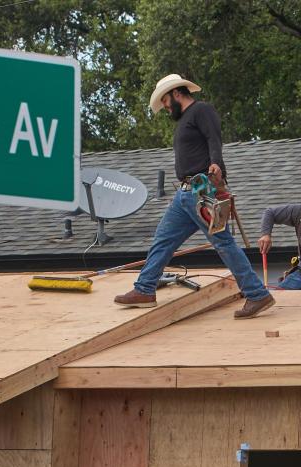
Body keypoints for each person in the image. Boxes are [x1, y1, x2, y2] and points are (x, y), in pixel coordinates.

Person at [114, 74, 275, 319]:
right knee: (163, 239)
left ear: (176, 93)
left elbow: (214, 139)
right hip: (186, 193)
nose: (165, 107)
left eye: (165, 101)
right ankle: (144, 289)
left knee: (223, 243)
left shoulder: (201, 110)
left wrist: (216, 164)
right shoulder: (184, 120)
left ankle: (257, 293)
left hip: (202, 188)